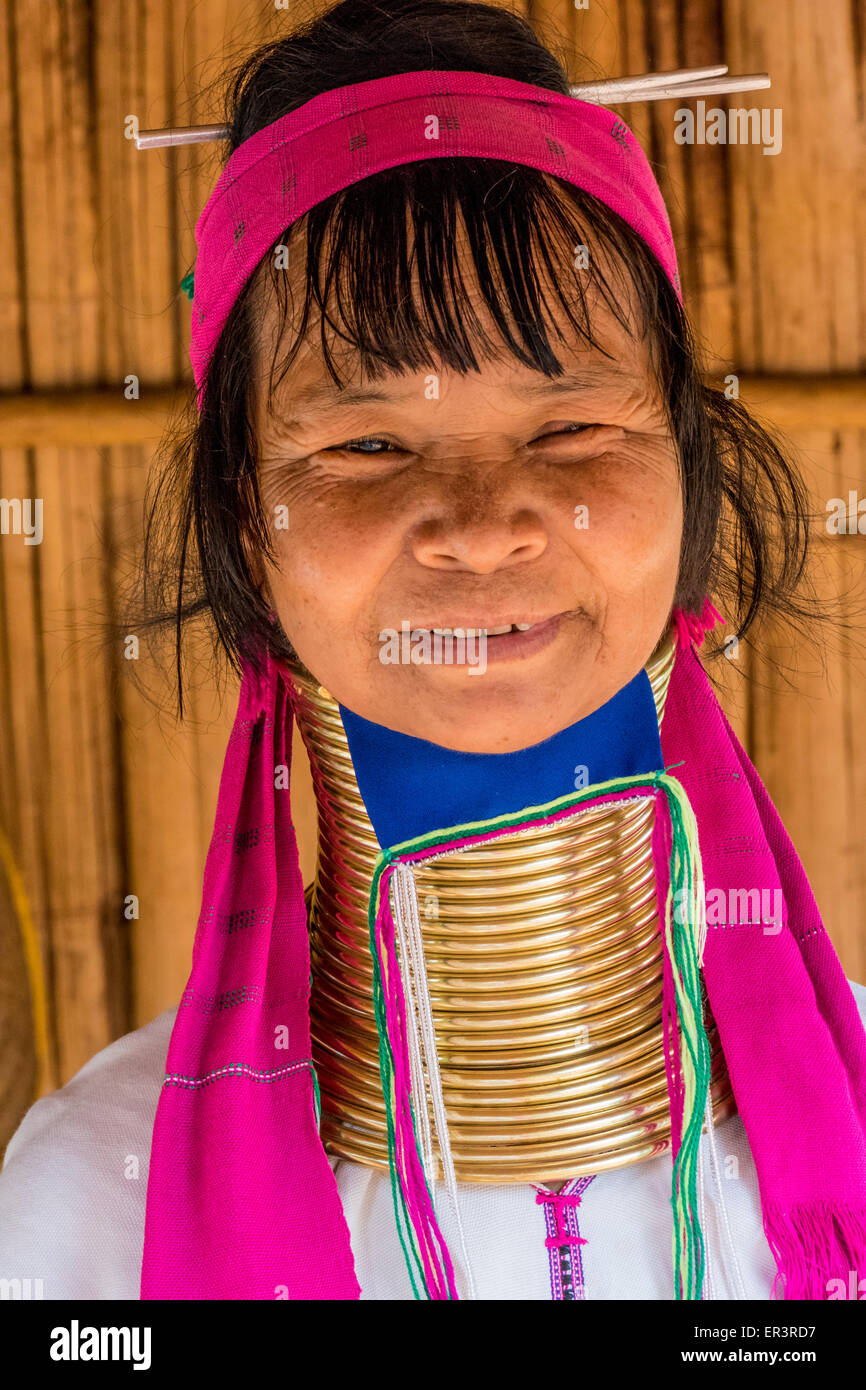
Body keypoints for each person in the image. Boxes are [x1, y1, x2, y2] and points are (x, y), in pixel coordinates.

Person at [2, 0, 865, 1302]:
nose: (478, 527)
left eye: (572, 426)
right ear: (245, 518)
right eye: (364, 445)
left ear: (687, 477)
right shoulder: (88, 1212)